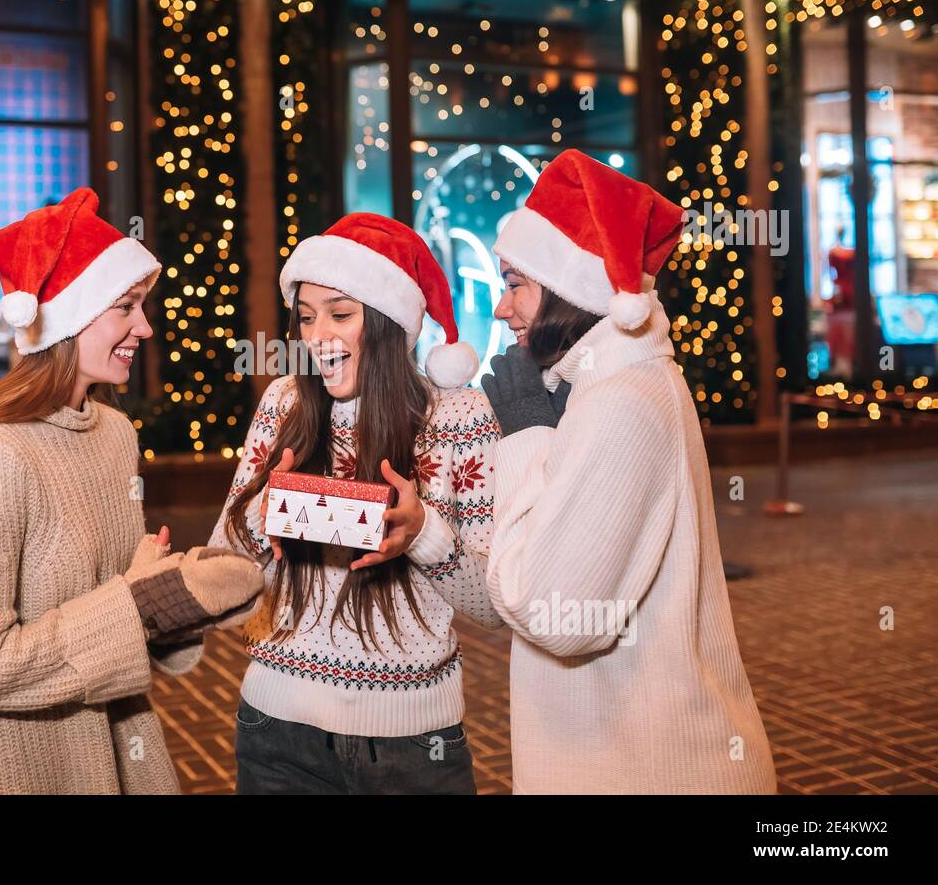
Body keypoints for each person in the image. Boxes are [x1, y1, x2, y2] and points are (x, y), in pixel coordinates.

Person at [0, 188, 263, 795]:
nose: (144, 327)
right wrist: (138, 603)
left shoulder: (114, 433)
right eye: (126, 307)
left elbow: (117, 607)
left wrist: (177, 601)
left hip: (107, 751)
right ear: (69, 318)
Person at [481, 149, 777, 793]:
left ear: (569, 290)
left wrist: (528, 434)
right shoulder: (613, 385)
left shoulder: (621, 399)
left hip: (649, 767)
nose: (503, 310)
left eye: (513, 283)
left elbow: (557, 616)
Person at [209, 212, 504, 795]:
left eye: (341, 314)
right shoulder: (284, 404)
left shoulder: (461, 418)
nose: (318, 336)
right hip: (276, 731)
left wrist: (423, 534)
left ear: (392, 323)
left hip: (417, 743)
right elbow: (223, 562)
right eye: (307, 316)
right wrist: (262, 511)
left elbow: (493, 605)